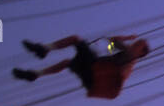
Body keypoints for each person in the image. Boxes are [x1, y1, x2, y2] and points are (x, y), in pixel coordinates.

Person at [12, 34, 150, 99]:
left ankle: (44, 49)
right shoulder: (127, 51)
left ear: (140, 53)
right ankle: (35, 74)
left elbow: (121, 77)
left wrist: (125, 40)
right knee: (67, 63)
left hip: (96, 72)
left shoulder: (131, 60)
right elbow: (111, 41)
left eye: (138, 44)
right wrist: (125, 39)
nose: (135, 44)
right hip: (92, 71)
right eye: (136, 42)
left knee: (75, 40)